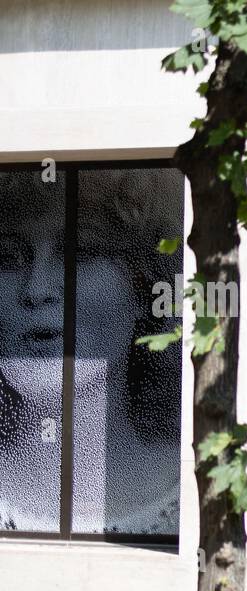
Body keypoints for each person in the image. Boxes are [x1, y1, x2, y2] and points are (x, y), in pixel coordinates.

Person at [0, 168, 182, 536]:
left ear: (141, 287)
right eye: (8, 257)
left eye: (79, 254)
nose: (35, 290)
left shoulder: (188, 495)